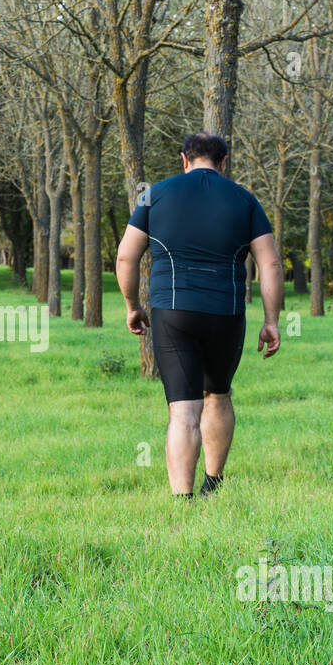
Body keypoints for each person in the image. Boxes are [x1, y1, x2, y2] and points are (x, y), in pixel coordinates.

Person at [115, 132, 284, 498]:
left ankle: (182, 500)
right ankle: (214, 483)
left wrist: (132, 306)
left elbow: (126, 256)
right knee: (218, 395)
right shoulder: (245, 200)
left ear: (184, 159)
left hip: (173, 312)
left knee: (182, 410)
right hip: (226, 313)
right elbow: (269, 262)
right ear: (223, 163)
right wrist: (271, 321)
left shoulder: (154, 194)